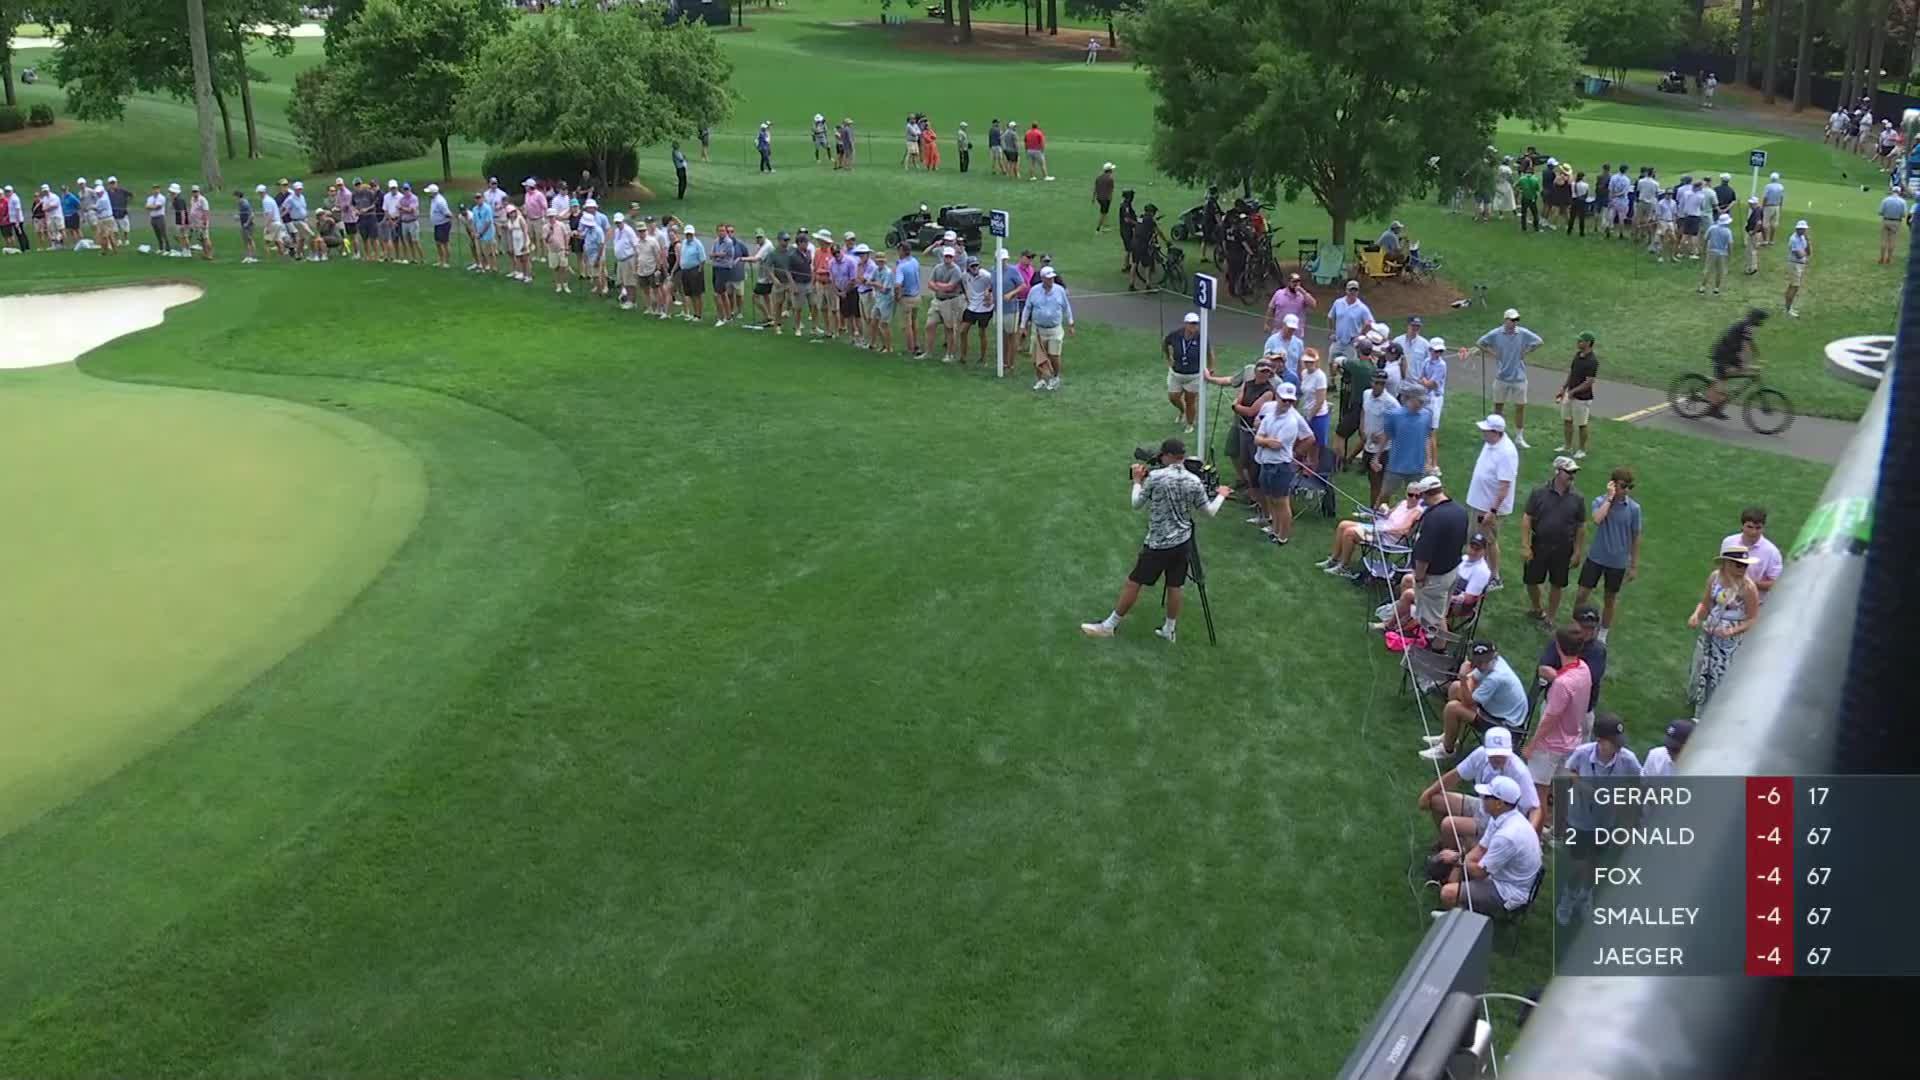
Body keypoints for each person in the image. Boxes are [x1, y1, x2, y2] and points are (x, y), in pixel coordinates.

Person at [1080, 438, 1231, 644]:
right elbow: (1210, 511)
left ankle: (1109, 626)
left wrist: (1137, 482)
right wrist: (1221, 495)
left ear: (1166, 455)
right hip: (1183, 542)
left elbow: (1136, 503)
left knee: (1134, 582)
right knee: (1175, 585)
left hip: (1158, 543)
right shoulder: (1193, 481)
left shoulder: (1157, 477)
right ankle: (1170, 629)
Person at [1554, 713, 1643, 925]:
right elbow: (1566, 772)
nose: (1619, 746)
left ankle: (1586, 895)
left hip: (1606, 822)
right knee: (1578, 865)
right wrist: (1581, 785)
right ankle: (1568, 897)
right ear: (1600, 741)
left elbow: (1637, 784)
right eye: (1613, 742)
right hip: (1579, 820)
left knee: (1595, 863)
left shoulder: (1628, 760)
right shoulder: (1583, 754)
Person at [1431, 774, 1540, 917]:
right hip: (1503, 873)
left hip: (1507, 891)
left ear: (1499, 804)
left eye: (1487, 797)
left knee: (1447, 893)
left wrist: (1458, 859)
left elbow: (1479, 872)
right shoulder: (1500, 818)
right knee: (1461, 862)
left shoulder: (1507, 837)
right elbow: (1481, 849)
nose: (1482, 798)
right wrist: (1461, 861)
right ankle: (1459, 900)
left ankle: (1461, 919)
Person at [1419, 727, 1540, 854]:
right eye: (1494, 753)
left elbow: (1535, 808)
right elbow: (1456, 775)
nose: (1498, 758)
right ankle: (1449, 842)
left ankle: (1453, 857)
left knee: (1448, 824)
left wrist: (1527, 836)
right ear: (1486, 749)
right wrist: (1428, 793)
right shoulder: (1480, 755)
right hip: (1483, 805)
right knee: (1435, 800)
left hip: (1497, 820)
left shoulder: (1519, 772)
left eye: (1502, 754)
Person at [1424, 640, 1530, 760]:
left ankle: (1447, 750)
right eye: (1478, 662)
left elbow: (1468, 702)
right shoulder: (1493, 662)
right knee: (1455, 687)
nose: (1483, 666)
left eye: (1486, 661)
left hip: (1504, 724)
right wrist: (1466, 685)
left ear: (1495, 656)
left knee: (1452, 708)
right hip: (1497, 711)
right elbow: (1473, 679)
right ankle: (1449, 737)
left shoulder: (1496, 677)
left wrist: (1463, 678)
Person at [1688, 544, 1762, 710]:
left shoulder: (1748, 587)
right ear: (1727, 563)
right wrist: (1696, 615)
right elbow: (1705, 603)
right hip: (1710, 631)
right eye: (1739, 565)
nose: (1742, 569)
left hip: (1728, 641)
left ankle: (1713, 709)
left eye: (1745, 565)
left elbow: (1752, 619)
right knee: (1702, 667)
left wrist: (1730, 631)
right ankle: (1698, 702)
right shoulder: (1715, 578)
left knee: (1720, 673)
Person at [1574, 466, 1641, 645]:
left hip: (1617, 562)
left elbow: (1636, 536)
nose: (1626, 491)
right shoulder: (1600, 501)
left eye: (1629, 487)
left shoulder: (1634, 509)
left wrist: (1633, 565)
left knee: (1610, 598)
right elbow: (1597, 519)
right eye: (1623, 486)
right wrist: (1610, 499)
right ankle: (1577, 624)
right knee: (1582, 594)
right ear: (1612, 484)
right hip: (1596, 557)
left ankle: (1603, 632)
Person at [1520, 456, 1586, 628]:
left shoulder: (1578, 498)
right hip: (1539, 544)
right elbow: (1527, 518)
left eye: (1574, 472)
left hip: (1563, 547)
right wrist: (1526, 545)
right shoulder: (1539, 492)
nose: (1572, 476)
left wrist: (1577, 551)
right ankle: (1537, 608)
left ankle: (1550, 616)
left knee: (1557, 583)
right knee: (1531, 580)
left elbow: (1581, 526)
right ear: (1557, 471)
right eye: (1569, 472)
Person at [1320, 478, 1424, 575]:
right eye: (1411, 495)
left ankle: (1343, 566)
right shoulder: (1403, 503)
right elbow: (1388, 515)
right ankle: (1333, 559)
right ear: (1406, 494)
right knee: (1343, 525)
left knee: (1350, 532)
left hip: (1389, 538)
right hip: (1380, 529)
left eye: (1417, 496)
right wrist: (1384, 509)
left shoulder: (1417, 511)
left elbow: (1404, 529)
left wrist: (1383, 529)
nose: (1414, 498)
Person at [1251, 386, 1313, 546]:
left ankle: (1282, 536)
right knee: (1271, 499)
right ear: (1277, 397)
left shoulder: (1291, 421)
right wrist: (1265, 440)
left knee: (1281, 502)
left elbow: (1276, 444)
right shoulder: (1269, 416)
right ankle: (1275, 530)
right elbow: (1257, 439)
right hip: (1266, 463)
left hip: (1280, 466)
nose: (1287, 403)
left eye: (1290, 401)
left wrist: (1263, 440)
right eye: (1284, 400)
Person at [1475, 308, 1542, 447]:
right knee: (1498, 407)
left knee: (1520, 407)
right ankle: (1497, 435)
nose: (1515, 322)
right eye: (1512, 320)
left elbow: (1539, 341)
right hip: (1501, 377)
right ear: (1505, 320)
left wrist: (1526, 351)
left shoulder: (1522, 333)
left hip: (1519, 377)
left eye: (1516, 320)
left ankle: (1519, 437)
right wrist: (1493, 353)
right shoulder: (1496, 333)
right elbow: (1480, 343)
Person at [1465, 414, 1520, 585]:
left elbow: (1505, 486)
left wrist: (1493, 511)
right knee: (1476, 538)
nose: (1483, 433)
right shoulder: (1491, 443)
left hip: (1489, 507)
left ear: (1496, 432)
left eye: (1486, 430)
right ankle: (1478, 570)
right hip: (1479, 503)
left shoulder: (1507, 453)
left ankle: (1494, 577)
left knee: (1488, 541)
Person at [1020, 266, 1074, 391]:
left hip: (1055, 329)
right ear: (1043, 278)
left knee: (1054, 355)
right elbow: (1027, 308)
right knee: (1037, 357)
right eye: (1048, 278)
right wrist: (1023, 325)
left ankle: (1055, 377)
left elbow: (1066, 307)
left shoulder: (1059, 290)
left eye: (1052, 278)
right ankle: (1040, 380)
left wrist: (1071, 323)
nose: (1051, 280)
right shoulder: (1034, 291)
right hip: (1038, 329)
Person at [1706, 307, 1768, 416]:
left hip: (1730, 353)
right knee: (1723, 380)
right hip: (1723, 354)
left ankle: (1717, 390)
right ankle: (1713, 409)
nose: (1762, 322)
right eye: (1761, 319)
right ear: (1756, 319)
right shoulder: (1747, 326)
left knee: (1735, 372)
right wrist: (1745, 363)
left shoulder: (1746, 326)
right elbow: (1745, 346)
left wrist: (1757, 356)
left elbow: (1750, 342)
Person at [1379, 385, 1434, 498]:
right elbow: (1386, 436)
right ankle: (1378, 510)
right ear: (1409, 399)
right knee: (1385, 494)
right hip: (1396, 466)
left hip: (1417, 467)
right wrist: (1377, 457)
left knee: (1416, 497)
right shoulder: (1393, 415)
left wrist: (1429, 461)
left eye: (1423, 402)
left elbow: (1427, 437)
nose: (1422, 404)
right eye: (1419, 401)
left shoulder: (1427, 415)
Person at [1163, 313, 1213, 433]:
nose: (1194, 326)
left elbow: (1209, 353)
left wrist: (1210, 369)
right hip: (1176, 373)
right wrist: (1168, 357)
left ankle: (1190, 424)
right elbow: (1165, 343)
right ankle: (1182, 411)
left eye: (1196, 324)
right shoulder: (1175, 335)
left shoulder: (1201, 337)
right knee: (1173, 397)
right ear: (1185, 324)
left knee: (1190, 400)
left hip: (1194, 375)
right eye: (1191, 323)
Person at [1725, 506, 1784, 603]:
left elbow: (1777, 585)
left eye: (1758, 528)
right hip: (1727, 599)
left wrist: (1749, 584)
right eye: (1749, 527)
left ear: (1763, 528)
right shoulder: (1728, 542)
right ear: (1742, 526)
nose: (1753, 532)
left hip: (1755, 603)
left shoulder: (1772, 552)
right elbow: (1722, 568)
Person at [1555, 332, 1598, 458]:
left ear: (1588, 343)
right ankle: (1567, 446)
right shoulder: (1578, 355)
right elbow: (1572, 373)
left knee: (1581, 424)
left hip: (1582, 398)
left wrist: (1573, 392)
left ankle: (1582, 450)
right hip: (1570, 394)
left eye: (1581, 341)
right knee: (1567, 420)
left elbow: (1589, 382)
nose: (1578, 343)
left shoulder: (1592, 361)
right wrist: (1564, 388)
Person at [922, 245, 966, 361]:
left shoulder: (956, 270)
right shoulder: (938, 267)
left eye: (950, 257)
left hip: (950, 302)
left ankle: (949, 354)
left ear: (953, 258)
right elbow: (930, 283)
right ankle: (928, 352)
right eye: (946, 256)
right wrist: (939, 287)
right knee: (929, 325)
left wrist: (938, 285)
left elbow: (950, 287)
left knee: (949, 328)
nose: (948, 258)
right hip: (937, 301)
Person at [957, 255, 996, 364]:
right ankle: (963, 356)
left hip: (985, 307)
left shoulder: (986, 275)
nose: (975, 268)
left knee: (982, 332)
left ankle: (983, 358)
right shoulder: (965, 276)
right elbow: (962, 285)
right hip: (972, 307)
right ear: (968, 268)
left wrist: (990, 294)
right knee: (963, 331)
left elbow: (995, 285)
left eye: (976, 265)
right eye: (972, 266)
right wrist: (966, 296)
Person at [1127, 203, 1166, 291]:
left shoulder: (1140, 217)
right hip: (1143, 244)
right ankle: (1148, 284)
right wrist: (1166, 241)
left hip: (1134, 242)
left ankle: (1131, 284)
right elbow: (1158, 232)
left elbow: (1140, 225)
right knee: (1147, 265)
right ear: (1151, 212)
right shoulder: (1150, 220)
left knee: (1134, 263)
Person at [866, 248, 896, 353]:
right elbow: (869, 281)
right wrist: (875, 284)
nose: (880, 263)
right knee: (873, 322)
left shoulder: (888, 272)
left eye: (882, 261)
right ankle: (875, 344)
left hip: (886, 300)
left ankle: (889, 348)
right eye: (878, 261)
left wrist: (874, 284)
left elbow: (885, 289)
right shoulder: (876, 270)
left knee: (884, 324)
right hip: (878, 299)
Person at [1699, 212, 1733, 295]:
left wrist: (1703, 250)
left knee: (1707, 270)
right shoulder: (1728, 231)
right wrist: (1730, 254)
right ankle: (1716, 288)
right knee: (1720, 271)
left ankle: (1702, 287)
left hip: (1711, 251)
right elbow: (1730, 244)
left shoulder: (1712, 228)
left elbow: (1705, 239)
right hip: (1722, 253)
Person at [612, 212, 640, 309]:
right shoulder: (616, 231)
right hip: (620, 260)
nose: (618, 224)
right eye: (616, 223)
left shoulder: (628, 231)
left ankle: (632, 301)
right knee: (620, 281)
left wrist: (636, 260)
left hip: (628, 259)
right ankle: (625, 297)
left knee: (630, 282)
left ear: (623, 221)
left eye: (619, 222)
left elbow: (635, 244)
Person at [1784, 220, 1811, 317]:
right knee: (1794, 286)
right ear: (1798, 229)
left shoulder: (1803, 238)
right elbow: (1799, 255)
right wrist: (1804, 252)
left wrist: (1808, 241)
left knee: (1794, 286)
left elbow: (1809, 252)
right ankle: (1788, 309)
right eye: (1803, 229)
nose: (1805, 231)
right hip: (1795, 265)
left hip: (1800, 265)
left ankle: (1788, 307)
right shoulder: (1794, 239)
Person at [1879, 186, 1908, 265]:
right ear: (1899, 192)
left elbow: (1880, 212)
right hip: (1896, 222)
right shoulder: (1903, 201)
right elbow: (1904, 214)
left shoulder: (1885, 200)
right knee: (1892, 241)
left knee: (1883, 240)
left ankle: (1882, 258)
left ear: (1892, 191)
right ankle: (1889, 258)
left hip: (1886, 220)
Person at [1514, 163, 1541, 232]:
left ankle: (1524, 227)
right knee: (1535, 213)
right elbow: (1537, 189)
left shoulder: (1522, 178)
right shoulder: (1535, 179)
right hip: (1532, 198)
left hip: (1524, 197)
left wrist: (1521, 189)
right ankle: (1536, 228)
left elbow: (1515, 185)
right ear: (1533, 173)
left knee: (1524, 213)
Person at [1760, 172, 1786, 245]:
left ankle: (1765, 240)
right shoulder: (1781, 187)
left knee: (1765, 224)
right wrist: (1780, 206)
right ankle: (1771, 240)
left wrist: (1762, 206)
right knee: (1774, 224)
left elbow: (1765, 197)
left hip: (1768, 206)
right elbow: (1782, 198)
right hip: (1776, 206)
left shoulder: (1768, 186)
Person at [1742, 196, 1765, 275]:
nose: (1749, 205)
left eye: (1751, 204)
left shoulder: (1757, 211)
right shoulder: (1757, 210)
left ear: (1755, 203)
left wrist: (1753, 232)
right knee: (1752, 250)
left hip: (1754, 234)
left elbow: (1759, 223)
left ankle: (1752, 268)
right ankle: (1752, 267)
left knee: (1751, 251)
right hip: (1756, 233)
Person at [1093, 163, 1115, 232]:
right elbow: (1111, 190)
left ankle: (1105, 226)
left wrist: (1093, 198)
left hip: (1099, 198)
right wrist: (1110, 198)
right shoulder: (1110, 179)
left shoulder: (1099, 177)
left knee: (1105, 213)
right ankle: (1098, 229)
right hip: (1106, 199)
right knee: (1103, 213)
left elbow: (1095, 188)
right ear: (1110, 170)